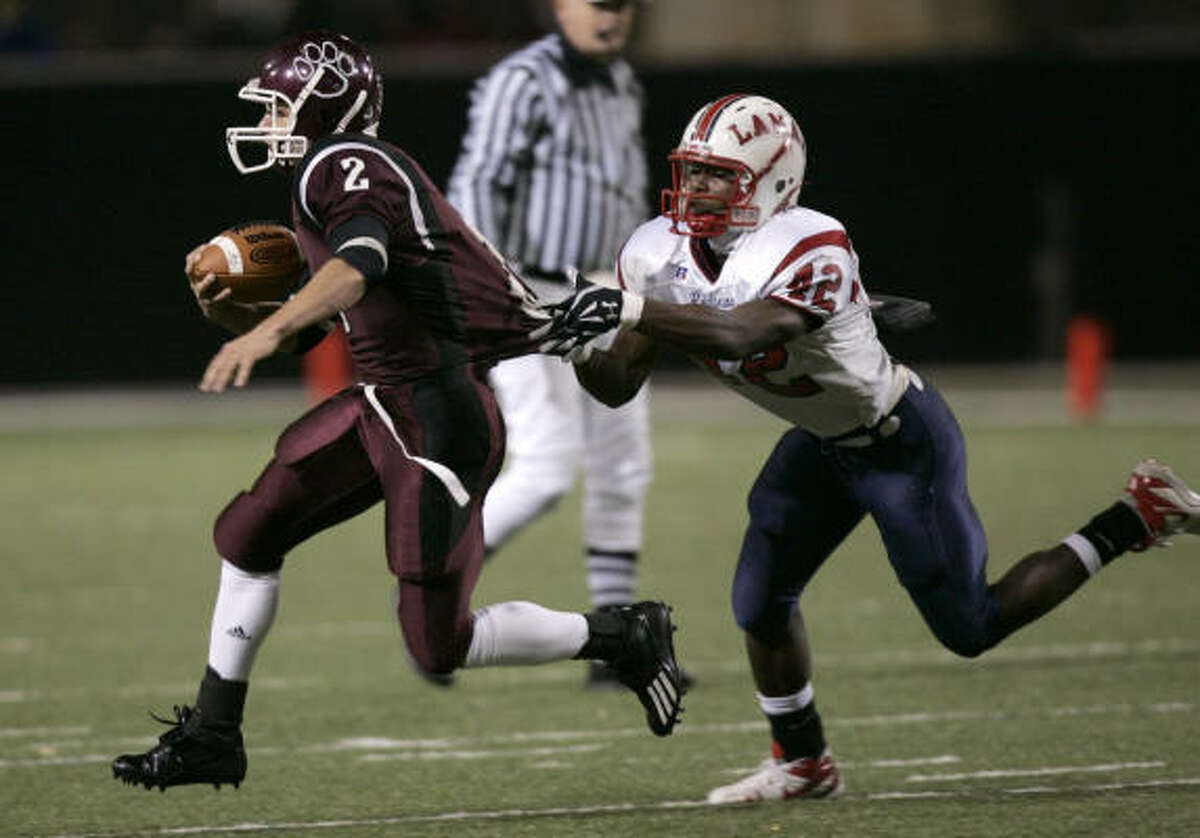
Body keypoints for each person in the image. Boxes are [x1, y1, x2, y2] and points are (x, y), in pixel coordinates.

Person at [537, 93, 1200, 803]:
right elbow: (615, 385)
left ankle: (1136, 514)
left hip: (898, 444)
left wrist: (628, 307)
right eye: (690, 171)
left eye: (718, 175)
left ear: (773, 181)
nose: (695, 188)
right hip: (820, 442)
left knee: (971, 627)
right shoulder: (655, 253)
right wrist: (574, 342)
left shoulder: (808, 240)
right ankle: (804, 763)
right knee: (758, 604)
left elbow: (739, 333)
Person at [110, 30, 684, 793]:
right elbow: (349, 306)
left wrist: (272, 327)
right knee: (250, 531)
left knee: (436, 645)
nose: (273, 121)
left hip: (440, 417)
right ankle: (214, 734)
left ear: (324, 106)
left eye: (282, 105)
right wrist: (253, 319)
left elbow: (360, 265)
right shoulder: (337, 171)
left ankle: (621, 634)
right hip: (383, 401)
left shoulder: (343, 163)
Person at [445, 0, 661, 688]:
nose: (613, 16)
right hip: (533, 292)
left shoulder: (622, 82)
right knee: (544, 468)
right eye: (598, 3)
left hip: (609, 293)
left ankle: (618, 640)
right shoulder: (524, 78)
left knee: (622, 467)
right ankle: (430, 593)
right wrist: (496, 293)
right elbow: (476, 185)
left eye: (623, 4)